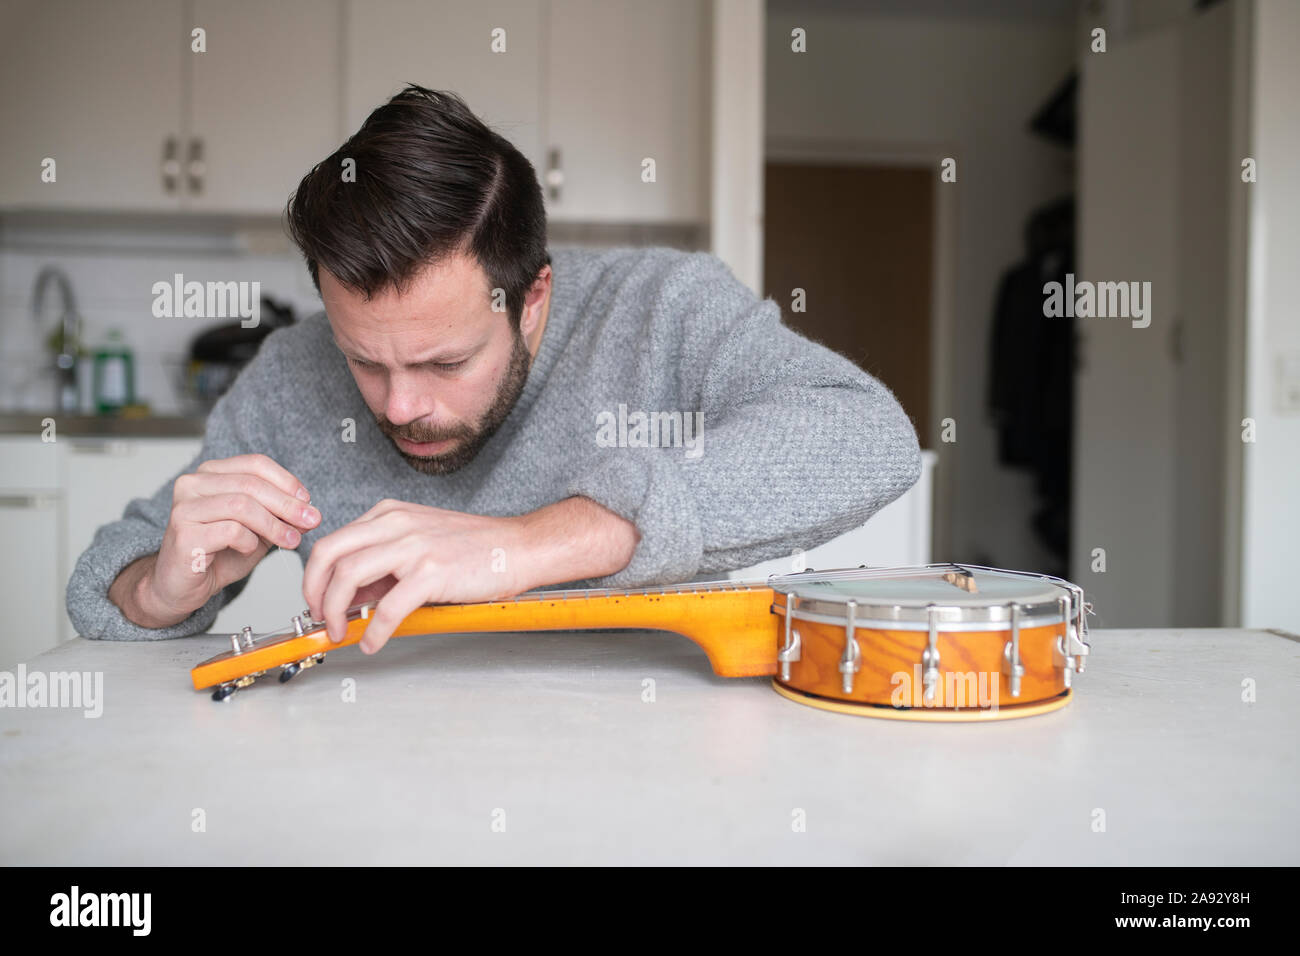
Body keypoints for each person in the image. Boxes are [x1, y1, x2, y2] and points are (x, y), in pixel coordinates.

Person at [66, 86, 922, 655]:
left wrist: (530, 544)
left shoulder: (662, 308)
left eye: (447, 360)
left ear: (533, 297)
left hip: (642, 775)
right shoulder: (290, 376)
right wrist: (164, 591)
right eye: (364, 358)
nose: (401, 405)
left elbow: (864, 434)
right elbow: (108, 584)